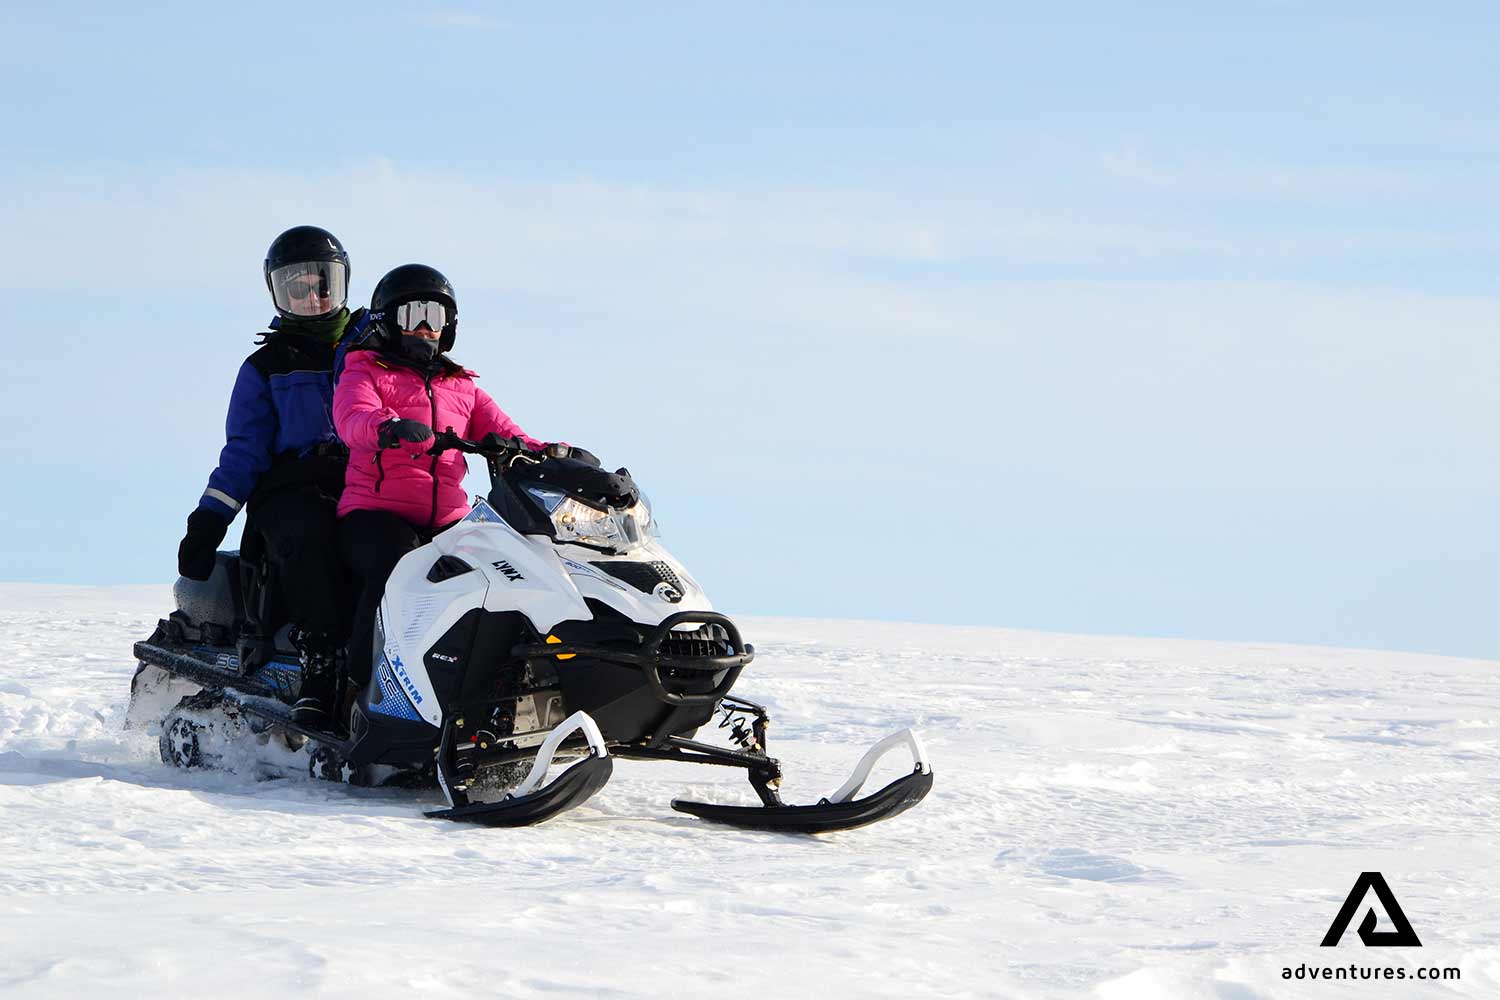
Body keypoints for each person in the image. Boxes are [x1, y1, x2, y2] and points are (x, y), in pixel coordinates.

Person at [333, 264, 578, 695]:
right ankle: (359, 683)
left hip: (449, 521)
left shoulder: (462, 387)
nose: (425, 327)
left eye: (436, 316)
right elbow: (353, 417)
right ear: (388, 322)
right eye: (413, 315)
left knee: (502, 570)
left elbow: (510, 434)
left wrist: (558, 456)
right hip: (374, 513)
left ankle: (490, 687)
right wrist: (388, 427)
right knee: (398, 566)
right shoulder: (365, 370)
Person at [176, 225, 364, 726]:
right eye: (295, 287)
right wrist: (208, 522)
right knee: (310, 534)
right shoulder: (267, 366)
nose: (311, 297)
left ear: (342, 283)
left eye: (322, 283)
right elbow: (244, 451)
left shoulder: (373, 349)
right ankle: (319, 663)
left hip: (365, 481)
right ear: (277, 292)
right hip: (292, 489)